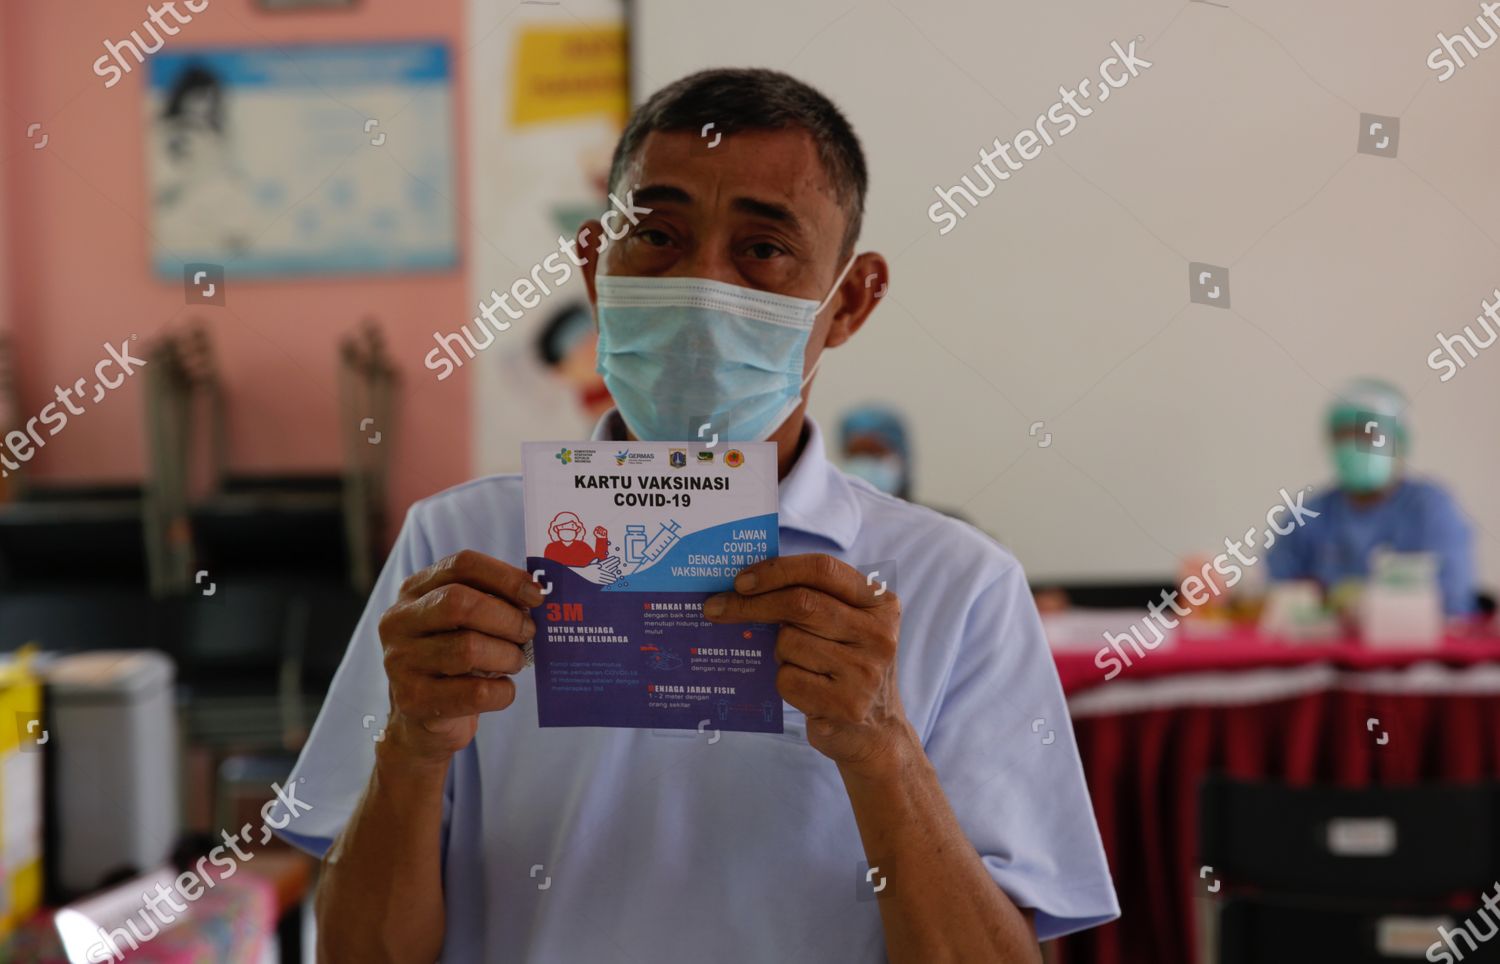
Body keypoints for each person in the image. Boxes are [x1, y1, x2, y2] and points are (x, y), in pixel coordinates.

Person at [277, 68, 1118, 963]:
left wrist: (881, 751)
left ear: (852, 301)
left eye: (762, 248)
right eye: (659, 235)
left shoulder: (959, 587)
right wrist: (412, 747)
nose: (698, 286)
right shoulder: (456, 551)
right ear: (595, 264)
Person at [1268, 377, 1476, 617]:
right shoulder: (1306, 515)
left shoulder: (1430, 509)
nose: (1356, 445)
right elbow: (1276, 601)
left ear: (1399, 442)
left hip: (1414, 652)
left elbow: (1452, 603)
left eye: (1369, 435)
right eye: (1345, 436)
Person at [839, 404, 912, 498]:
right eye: (856, 453)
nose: (865, 461)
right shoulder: (831, 511)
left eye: (874, 453)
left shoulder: (923, 512)